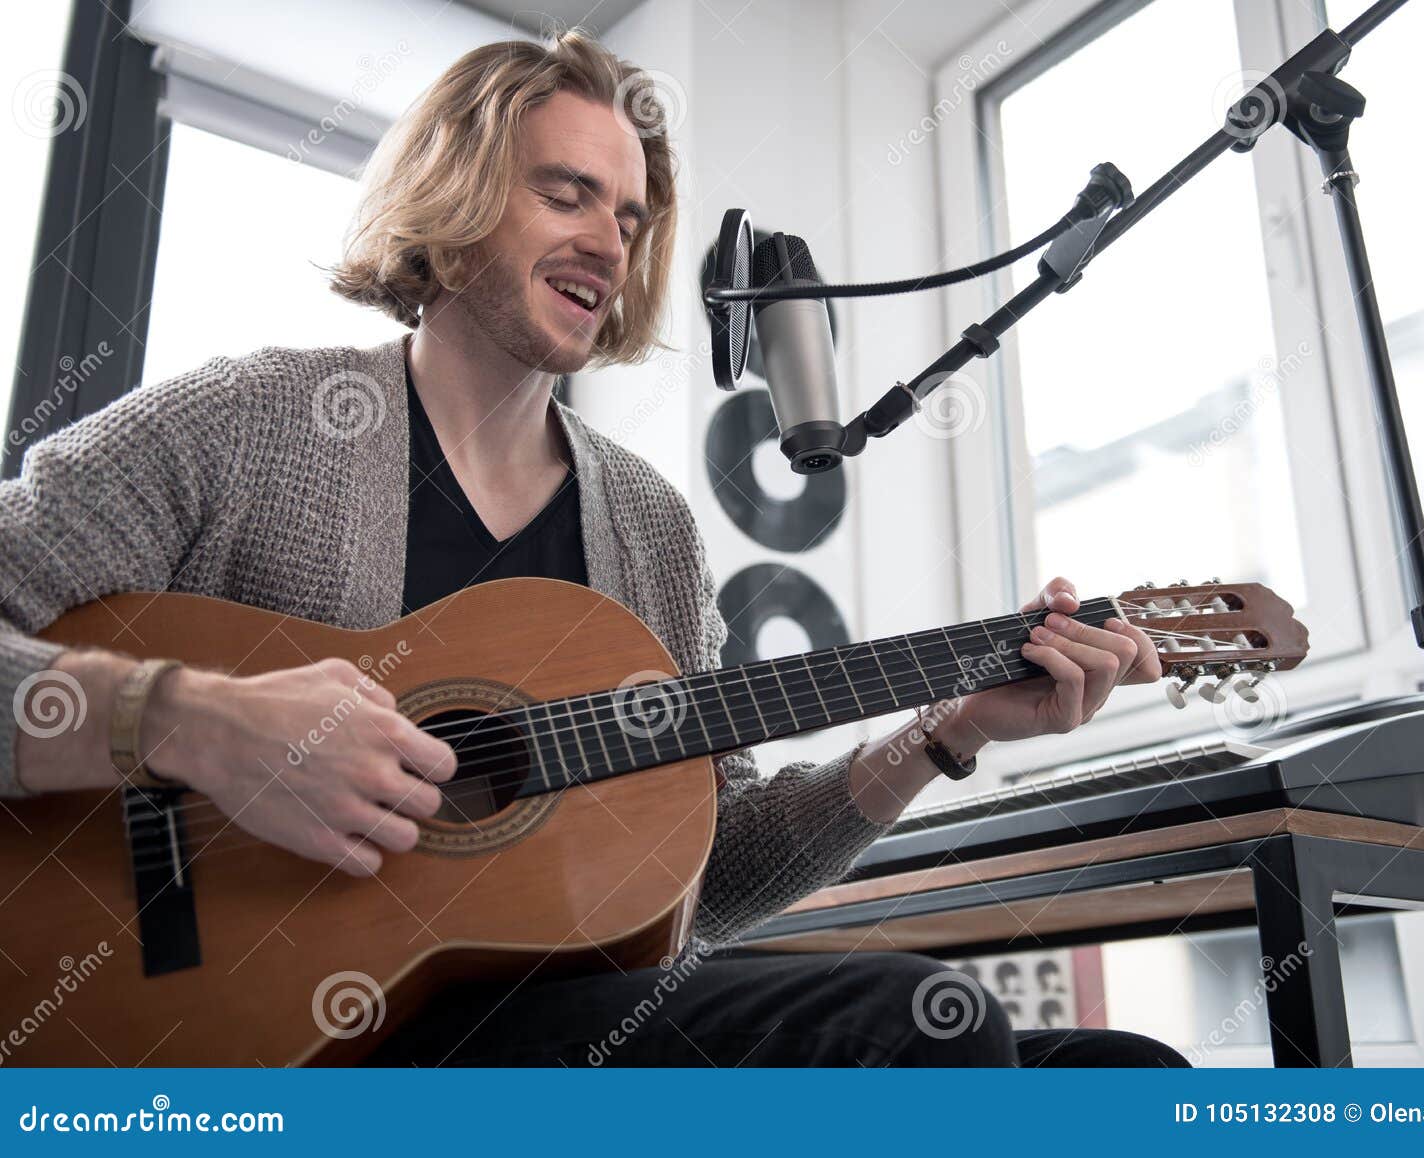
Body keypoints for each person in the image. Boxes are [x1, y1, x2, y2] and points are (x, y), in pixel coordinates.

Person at [0, 32, 1185, 1068]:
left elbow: (710, 874)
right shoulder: (249, 422)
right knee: (916, 1021)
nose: (611, 246)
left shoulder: (651, 532)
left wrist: (948, 731)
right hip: (260, 1048)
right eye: (566, 195)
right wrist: (196, 724)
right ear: (455, 195)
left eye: (627, 217)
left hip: (545, 1041)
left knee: (1116, 1072)